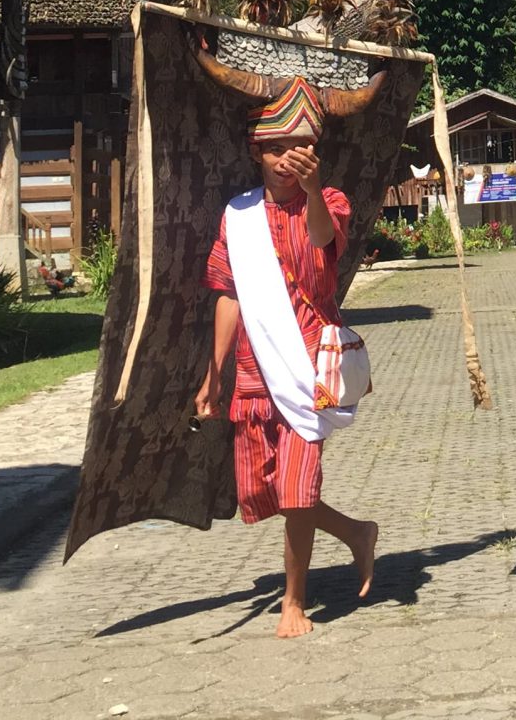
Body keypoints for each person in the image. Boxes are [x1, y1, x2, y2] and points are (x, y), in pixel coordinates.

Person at [196, 75, 378, 638]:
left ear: (313, 152)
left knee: (299, 488)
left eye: (296, 149)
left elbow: (324, 241)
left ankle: (293, 602)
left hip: (307, 366)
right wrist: (212, 375)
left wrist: (317, 186)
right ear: (256, 150)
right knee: (267, 493)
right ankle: (355, 533)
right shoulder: (238, 216)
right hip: (253, 371)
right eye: (274, 148)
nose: (284, 160)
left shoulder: (331, 203)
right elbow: (229, 295)